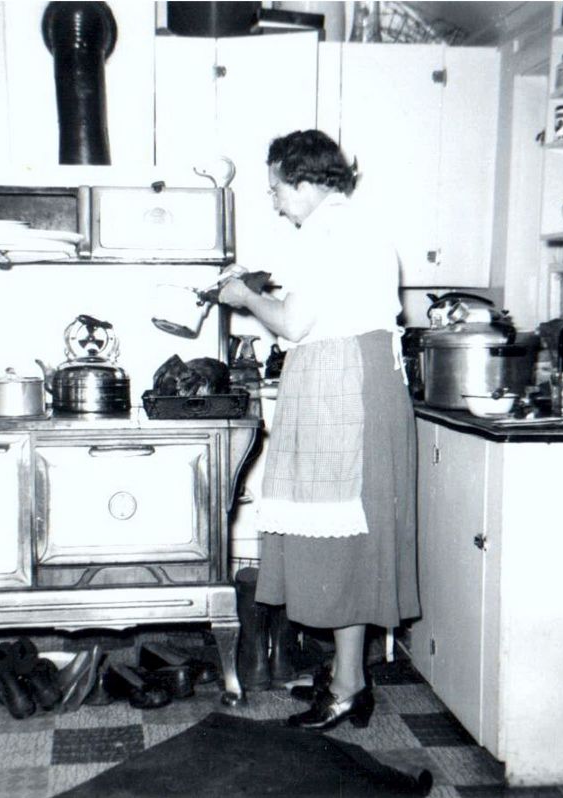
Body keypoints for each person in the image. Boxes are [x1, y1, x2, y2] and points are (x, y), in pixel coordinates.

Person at [218, 129, 419, 730]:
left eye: (277, 188)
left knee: (336, 541)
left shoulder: (321, 232)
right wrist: (264, 286)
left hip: (342, 393)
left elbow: (297, 323)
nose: (275, 200)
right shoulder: (356, 227)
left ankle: (348, 683)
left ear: (304, 183)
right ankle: (348, 681)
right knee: (345, 542)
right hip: (358, 385)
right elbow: (327, 304)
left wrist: (241, 298)